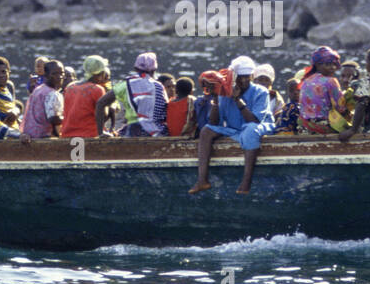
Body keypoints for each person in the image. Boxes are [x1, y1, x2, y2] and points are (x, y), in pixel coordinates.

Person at [189, 55, 274, 195]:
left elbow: (254, 121)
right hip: (235, 130)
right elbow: (214, 122)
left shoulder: (261, 91)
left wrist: (237, 99)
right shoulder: (225, 93)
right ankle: (202, 180)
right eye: (241, 77)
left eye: (248, 76)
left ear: (252, 76)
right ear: (234, 78)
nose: (245, 80)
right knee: (206, 130)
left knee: (250, 129)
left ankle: (246, 182)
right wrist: (216, 99)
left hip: (259, 127)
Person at [95, 52, 168, 137]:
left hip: (133, 132)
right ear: (154, 70)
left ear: (135, 69)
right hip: (156, 132)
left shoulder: (125, 84)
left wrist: (101, 133)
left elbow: (100, 103)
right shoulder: (159, 86)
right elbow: (165, 110)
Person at [298, 46, 345, 133]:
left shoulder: (305, 81)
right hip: (323, 127)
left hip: (303, 127)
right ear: (317, 65)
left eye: (334, 64)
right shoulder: (331, 81)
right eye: (328, 64)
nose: (332, 67)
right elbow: (341, 107)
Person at [63, 55, 110, 139]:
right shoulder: (97, 89)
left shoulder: (70, 87)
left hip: (67, 135)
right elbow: (104, 115)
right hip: (89, 135)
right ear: (102, 73)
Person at [21, 60, 65, 139]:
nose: (60, 77)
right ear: (46, 75)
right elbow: (54, 119)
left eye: (61, 73)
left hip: (30, 134)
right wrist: (68, 118)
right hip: (43, 136)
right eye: (54, 74)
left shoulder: (38, 90)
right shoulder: (52, 94)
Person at [190, 72, 221, 137]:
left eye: (212, 83)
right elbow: (194, 120)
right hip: (203, 132)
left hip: (217, 131)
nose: (209, 86)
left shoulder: (221, 99)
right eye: (206, 83)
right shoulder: (198, 101)